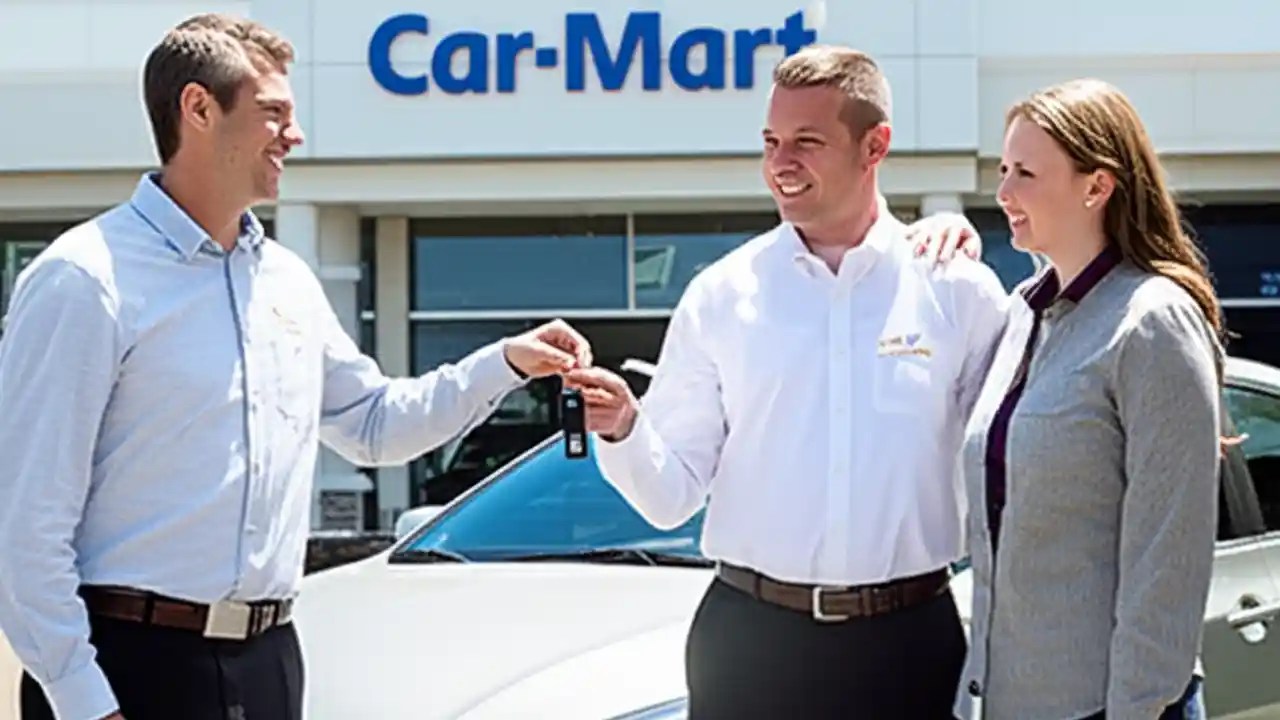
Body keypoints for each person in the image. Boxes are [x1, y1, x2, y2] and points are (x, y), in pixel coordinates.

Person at [0, 13, 590, 720]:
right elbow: (25, 522)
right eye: (273, 112)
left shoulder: (286, 281)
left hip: (270, 665)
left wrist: (505, 364)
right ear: (198, 109)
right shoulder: (83, 280)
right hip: (129, 669)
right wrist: (80, 699)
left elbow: (374, 426)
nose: (296, 135)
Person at [564, 45, 1009, 718]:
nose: (780, 163)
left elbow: (1013, 470)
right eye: (771, 141)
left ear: (874, 145)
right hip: (750, 647)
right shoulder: (720, 295)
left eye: (807, 141)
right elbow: (669, 497)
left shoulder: (959, 292)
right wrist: (626, 429)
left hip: (909, 647)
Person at [956, 78, 1222, 720]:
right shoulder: (1025, 313)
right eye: (1003, 169)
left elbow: (1168, 555)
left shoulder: (1152, 322)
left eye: (1025, 173)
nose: (1004, 193)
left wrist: (1134, 710)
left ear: (1096, 186)